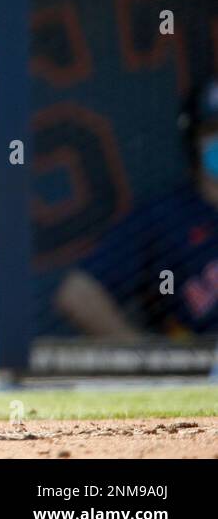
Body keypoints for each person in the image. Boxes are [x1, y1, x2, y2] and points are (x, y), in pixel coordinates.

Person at [54, 77, 218, 338]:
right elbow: (78, 295)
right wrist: (147, 359)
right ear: (194, 141)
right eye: (214, 131)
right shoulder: (167, 216)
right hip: (202, 369)